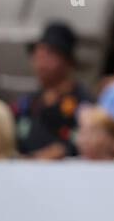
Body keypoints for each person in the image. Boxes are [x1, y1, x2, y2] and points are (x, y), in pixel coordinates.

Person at [13, 22, 92, 160]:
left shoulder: (83, 102)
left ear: (67, 61)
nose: (40, 63)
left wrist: (62, 150)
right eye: (37, 56)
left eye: (48, 55)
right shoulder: (27, 103)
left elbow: (87, 139)